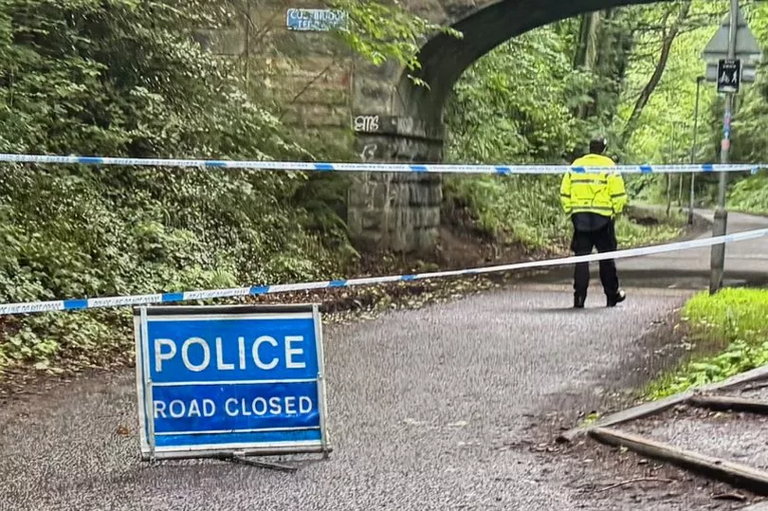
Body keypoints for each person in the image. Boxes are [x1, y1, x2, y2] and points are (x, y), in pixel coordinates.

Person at [560, 137, 628, 308]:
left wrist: (571, 211)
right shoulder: (609, 165)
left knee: (581, 258)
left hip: (580, 219)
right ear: (604, 149)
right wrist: (614, 211)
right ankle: (612, 295)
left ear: (589, 148)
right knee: (606, 258)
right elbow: (619, 193)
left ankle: (579, 297)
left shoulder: (576, 165)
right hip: (603, 219)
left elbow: (564, 191)